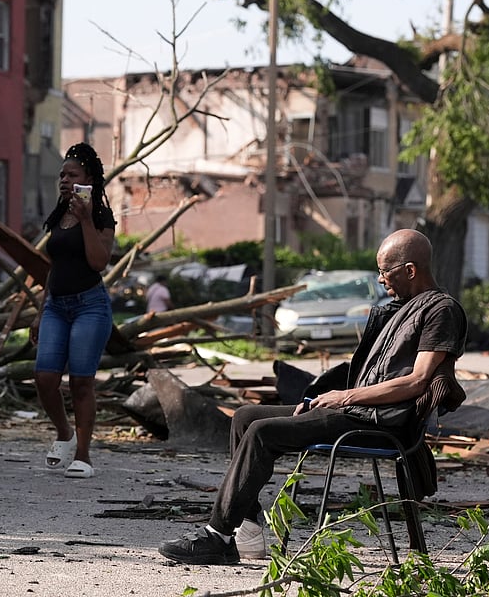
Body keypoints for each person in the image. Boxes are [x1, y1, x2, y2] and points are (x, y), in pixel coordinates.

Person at [157, 228, 467, 565]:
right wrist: (333, 397)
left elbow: (417, 381)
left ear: (410, 270)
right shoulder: (402, 307)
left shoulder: (441, 310)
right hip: (360, 411)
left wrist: (344, 397)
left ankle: (217, 536)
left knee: (262, 433)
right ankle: (246, 531)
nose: (380, 280)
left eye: (384, 271)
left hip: (382, 421)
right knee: (246, 416)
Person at [31, 142, 117, 479]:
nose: (65, 180)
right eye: (62, 175)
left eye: (72, 175)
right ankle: (65, 433)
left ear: (89, 180)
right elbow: (54, 268)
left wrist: (85, 219)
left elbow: (98, 262)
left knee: (81, 381)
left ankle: (83, 454)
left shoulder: (101, 216)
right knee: (44, 378)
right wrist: (41, 311)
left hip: (90, 306)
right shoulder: (58, 214)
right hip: (56, 306)